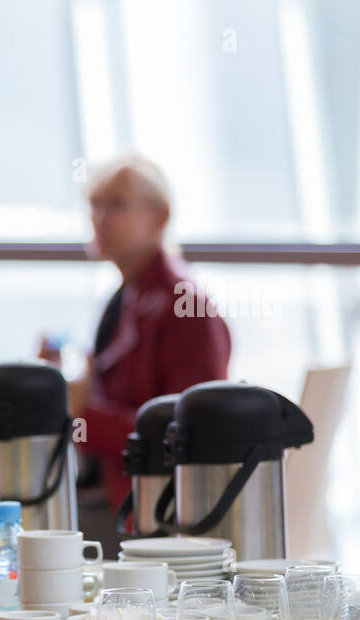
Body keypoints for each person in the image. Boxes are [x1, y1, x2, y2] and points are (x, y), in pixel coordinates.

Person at [40, 155, 231, 520]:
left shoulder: (185, 310)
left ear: (160, 217)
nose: (100, 218)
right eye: (95, 205)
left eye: (117, 205)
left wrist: (80, 412)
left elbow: (185, 437)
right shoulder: (127, 300)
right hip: (122, 495)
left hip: (157, 509)